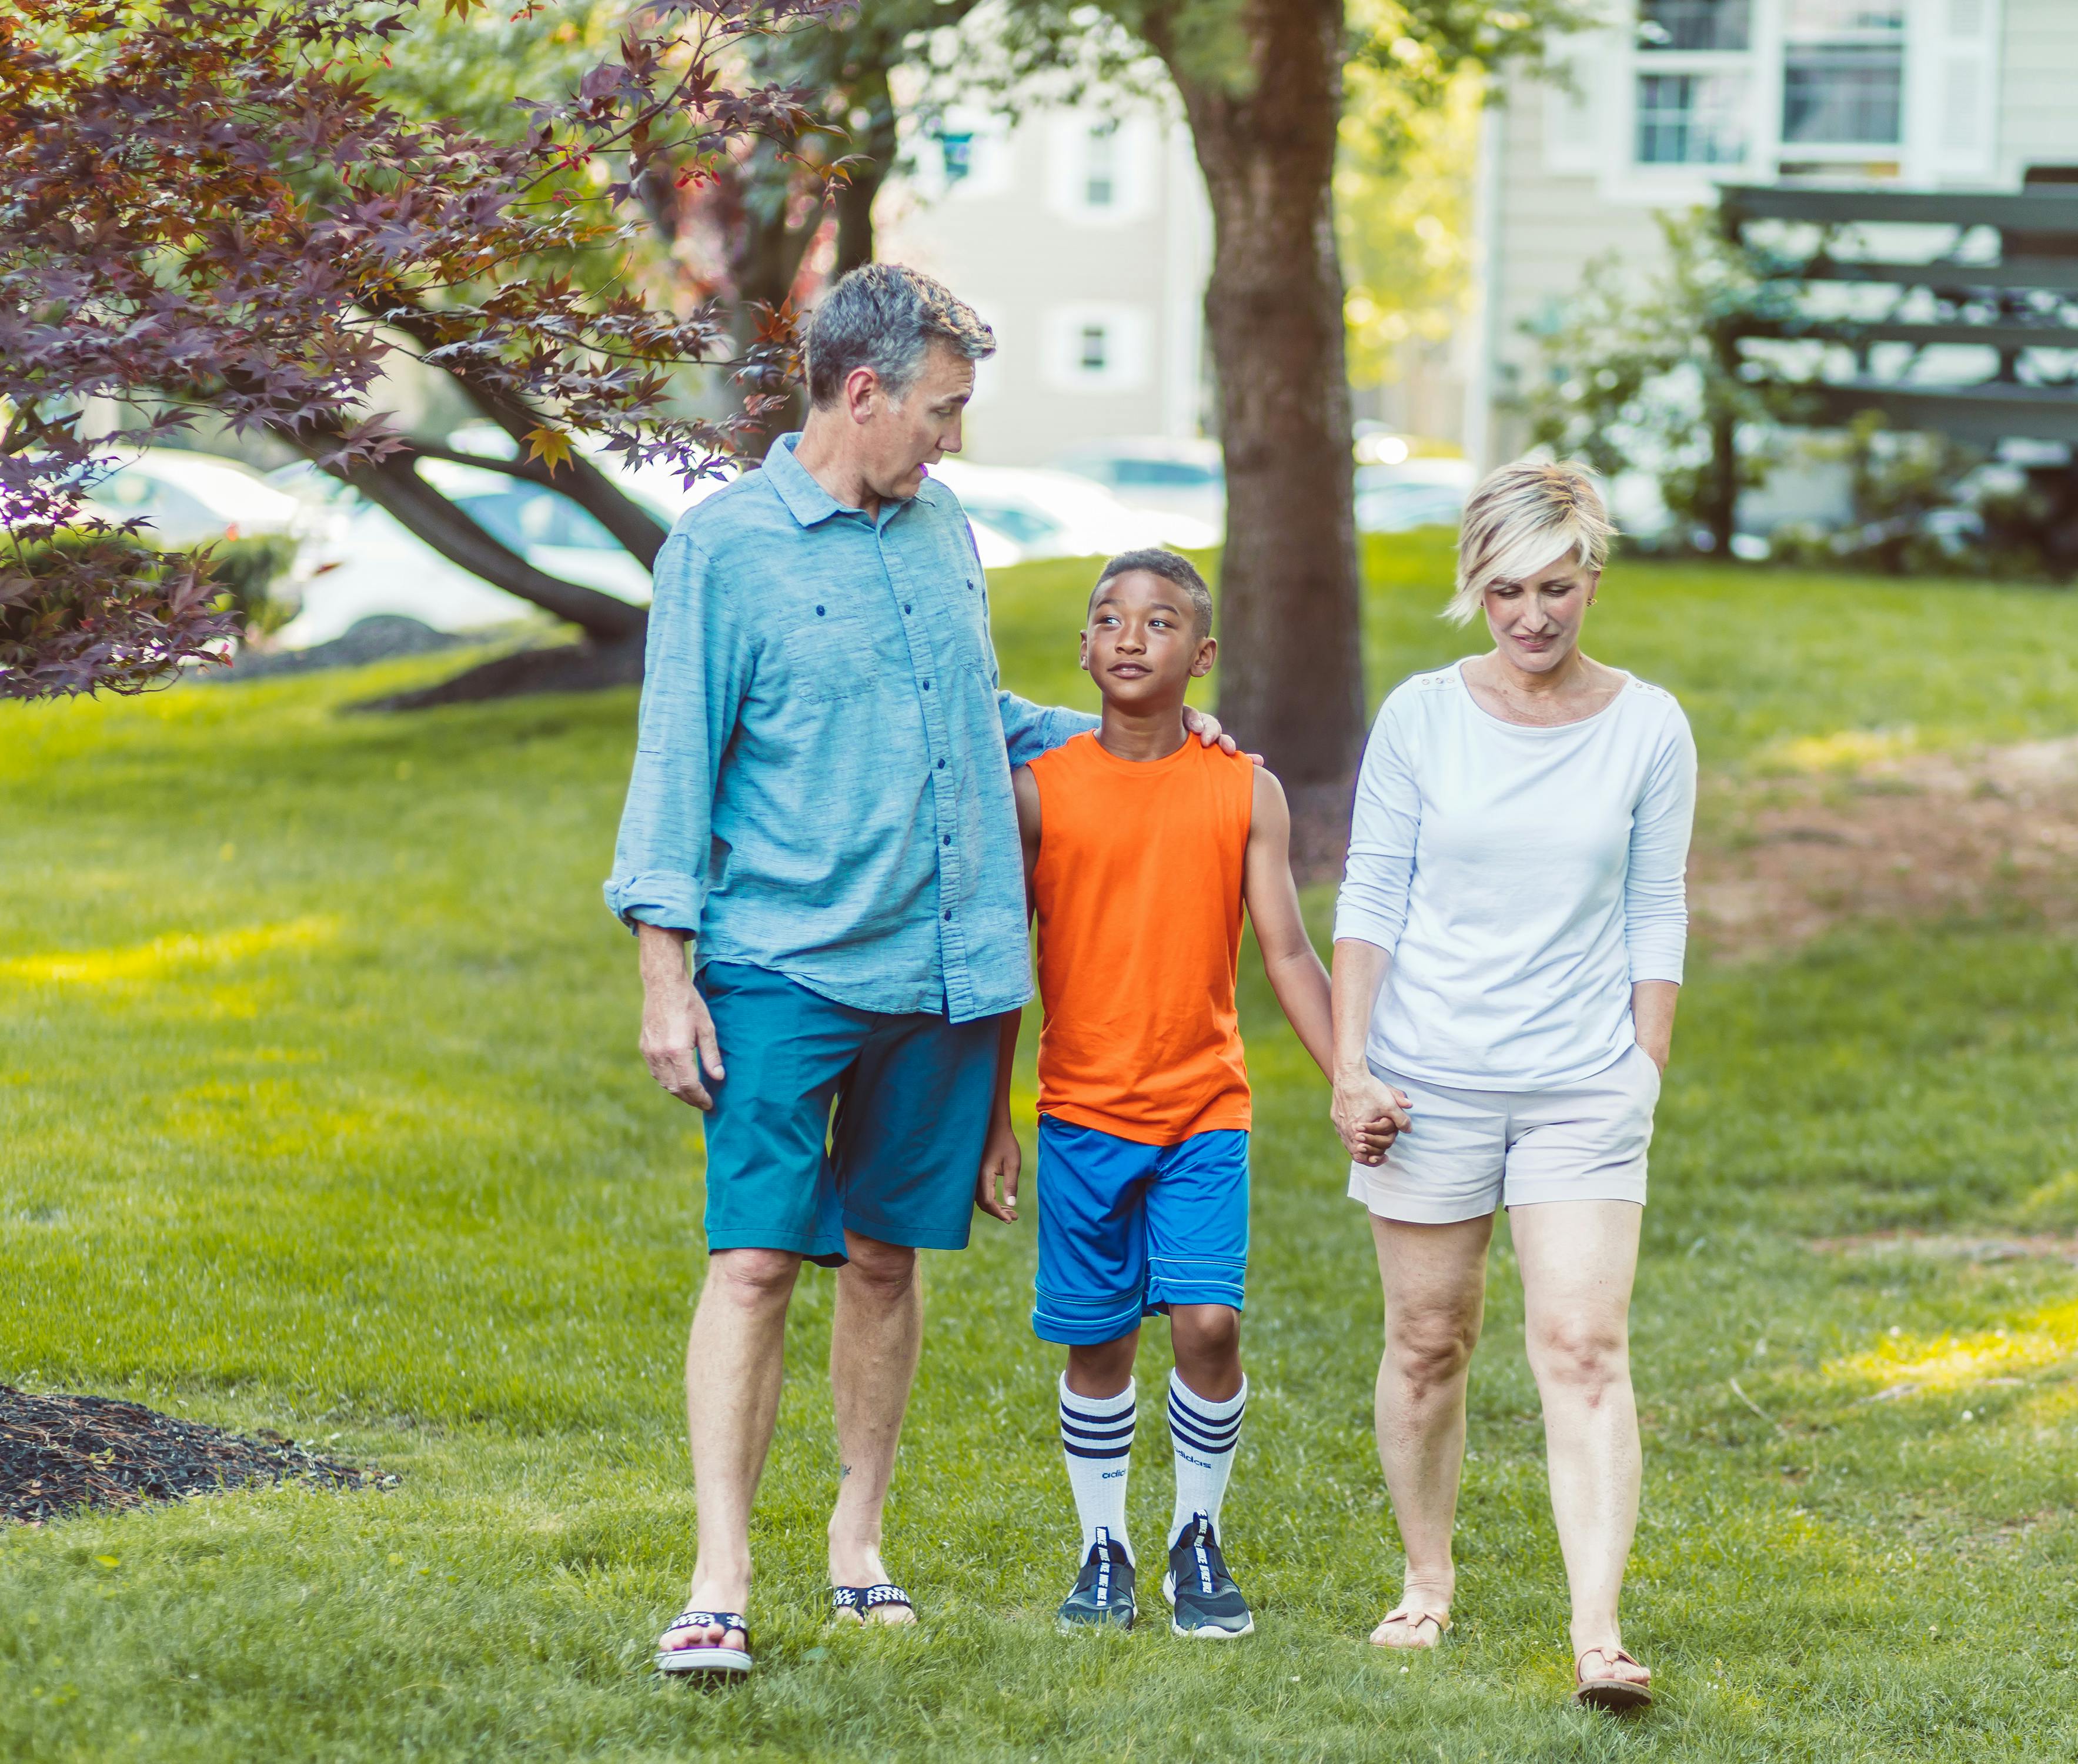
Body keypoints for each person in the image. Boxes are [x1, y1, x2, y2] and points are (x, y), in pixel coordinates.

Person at [606, 266, 1231, 1680]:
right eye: (944, 408)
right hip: (780, 965)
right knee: (757, 1260)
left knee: (886, 1261)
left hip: (944, 972)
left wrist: (1140, 725)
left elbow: (976, 711)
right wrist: (666, 974)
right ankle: (719, 1576)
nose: (955, 437)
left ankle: (858, 1544)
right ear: (864, 390)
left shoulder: (939, 525)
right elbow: (670, 770)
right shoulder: (725, 551)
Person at [1324, 459, 1696, 1710]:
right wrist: (1353, 1064)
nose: (1532, 617)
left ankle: (1600, 1635)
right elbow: (1370, 896)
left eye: (1556, 587)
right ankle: (1425, 1583)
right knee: (1430, 1341)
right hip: (1426, 1081)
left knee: (1585, 1346)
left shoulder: (1650, 725)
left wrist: (1641, 1069)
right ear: (1473, 589)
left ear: (1592, 577)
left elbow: (1657, 909)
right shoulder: (1425, 716)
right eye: (1505, 593)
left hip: (1583, 1087)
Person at [981, 550, 1337, 1641]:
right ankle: (1105, 1548)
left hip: (1201, 1116)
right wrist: (993, 1119)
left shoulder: (1244, 789)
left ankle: (1195, 1536)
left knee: (1210, 1325)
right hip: (1081, 1117)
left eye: (1161, 621)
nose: (1132, 637)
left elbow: (1285, 950)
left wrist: (1350, 1078)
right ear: (1085, 647)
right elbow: (1000, 966)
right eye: (1109, 619)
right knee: (1098, 1347)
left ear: (1203, 655)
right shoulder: (1038, 795)